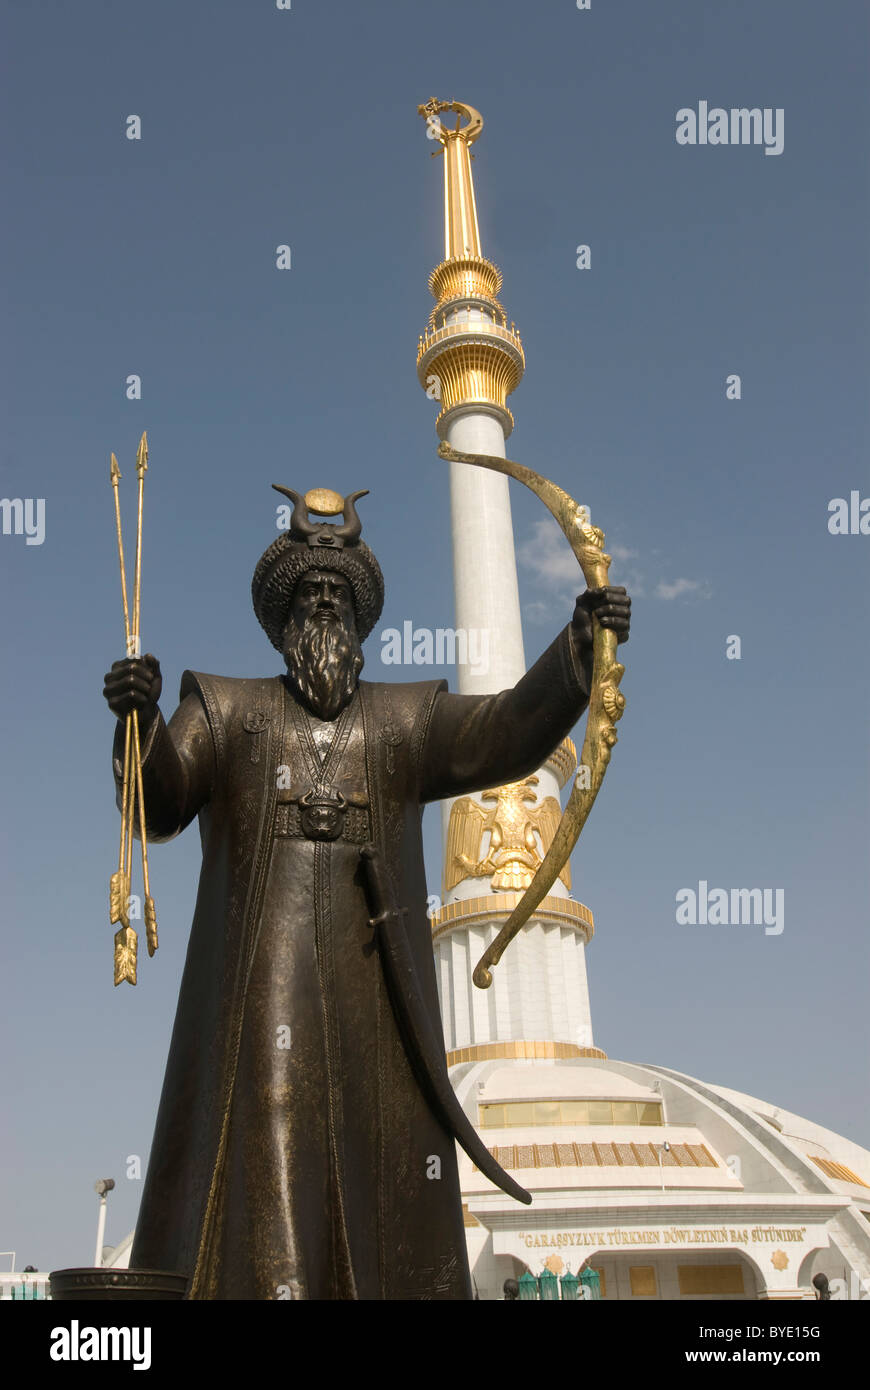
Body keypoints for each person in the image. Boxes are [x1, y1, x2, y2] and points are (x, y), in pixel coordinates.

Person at [103, 487, 630, 1300]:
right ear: (282, 624)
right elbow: (161, 805)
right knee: (270, 1160)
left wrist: (577, 647)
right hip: (260, 997)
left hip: (376, 996)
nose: (324, 605)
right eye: (310, 596)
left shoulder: (405, 721)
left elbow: (507, 730)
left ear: (358, 619)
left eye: (338, 595)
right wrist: (137, 721)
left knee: (383, 1167)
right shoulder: (227, 708)